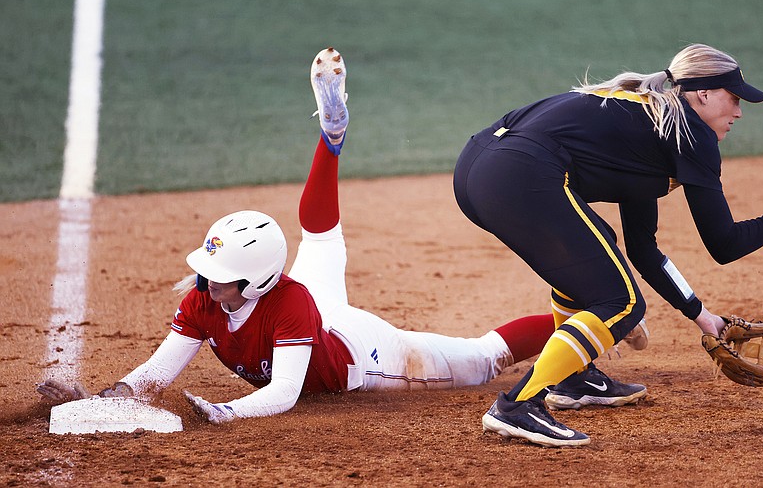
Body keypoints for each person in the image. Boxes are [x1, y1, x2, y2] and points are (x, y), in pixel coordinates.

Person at [39, 48, 574, 423]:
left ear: (258, 281)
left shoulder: (289, 303)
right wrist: (101, 401)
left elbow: (283, 394)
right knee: (318, 239)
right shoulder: (205, 299)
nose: (207, 282)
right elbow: (158, 372)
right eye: (210, 271)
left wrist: (223, 412)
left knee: (480, 360)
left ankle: (584, 322)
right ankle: (331, 136)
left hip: (367, 357)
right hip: (315, 314)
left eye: (223, 278)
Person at [453, 43, 763, 447]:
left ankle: (571, 377)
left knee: (588, 268)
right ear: (703, 93)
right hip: (518, 172)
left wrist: (704, 317)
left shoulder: (653, 121)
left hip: (477, 167)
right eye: (734, 98)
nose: (738, 112)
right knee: (621, 302)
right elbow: (724, 243)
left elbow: (643, 249)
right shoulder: (691, 134)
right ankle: (518, 405)